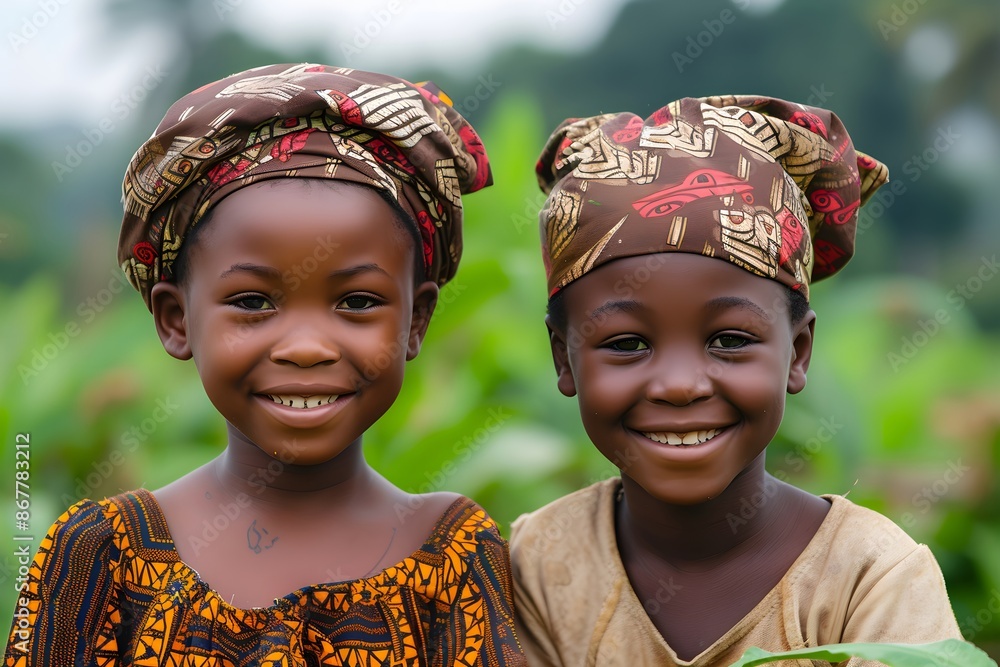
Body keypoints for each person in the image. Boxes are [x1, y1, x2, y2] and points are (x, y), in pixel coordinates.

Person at [6, 63, 525, 667]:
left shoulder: (453, 558)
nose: (305, 347)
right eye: (253, 302)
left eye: (356, 302)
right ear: (176, 319)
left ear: (416, 320)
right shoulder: (101, 557)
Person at [509, 95, 963, 666]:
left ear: (797, 353)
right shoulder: (543, 562)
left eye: (729, 340)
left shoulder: (869, 580)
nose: (680, 385)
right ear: (565, 360)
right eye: (627, 344)